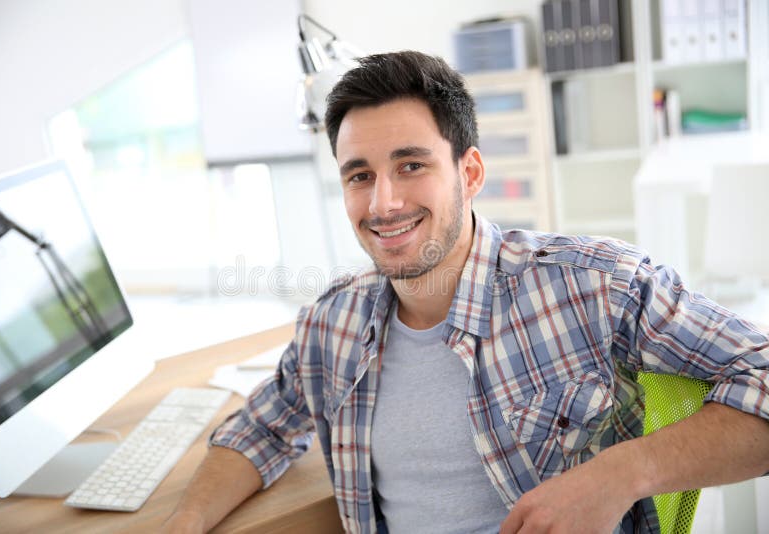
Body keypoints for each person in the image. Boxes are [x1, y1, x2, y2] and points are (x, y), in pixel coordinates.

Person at [162, 51, 769, 533]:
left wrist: (623, 473)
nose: (383, 203)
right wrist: (183, 525)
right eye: (360, 176)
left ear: (470, 172)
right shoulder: (332, 323)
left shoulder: (594, 286)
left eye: (411, 165)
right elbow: (261, 430)